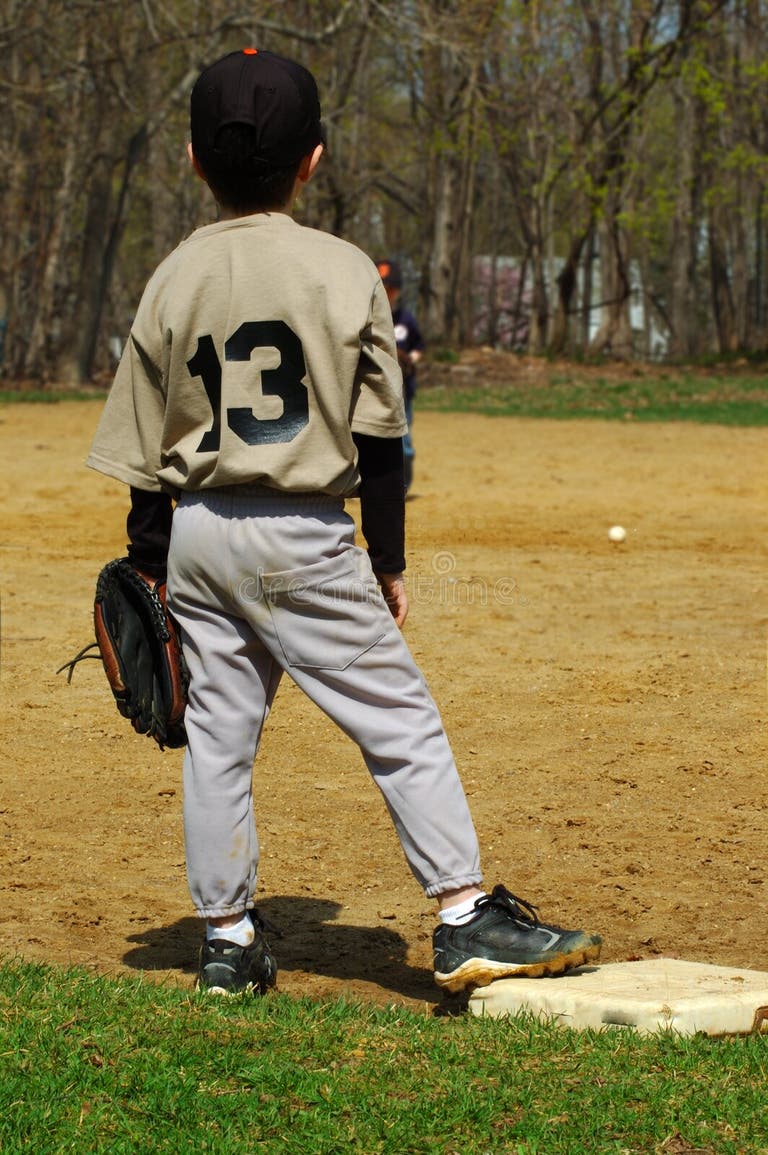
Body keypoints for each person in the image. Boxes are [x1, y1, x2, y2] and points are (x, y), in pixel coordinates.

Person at [86, 47, 602, 997]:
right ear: (312, 160)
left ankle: (229, 941)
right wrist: (390, 558)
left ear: (195, 163)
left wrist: (152, 563)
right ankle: (460, 915)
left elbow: (146, 458)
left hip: (198, 530)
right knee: (399, 720)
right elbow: (382, 441)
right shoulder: (345, 269)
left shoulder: (171, 275)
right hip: (303, 537)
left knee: (218, 742)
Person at [375, 259, 423, 494]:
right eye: (382, 288)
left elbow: (418, 345)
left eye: (390, 289)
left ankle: (403, 479)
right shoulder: (369, 318)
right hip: (376, 389)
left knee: (403, 439)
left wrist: (411, 359)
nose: (386, 293)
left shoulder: (405, 319)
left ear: (398, 291)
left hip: (403, 391)